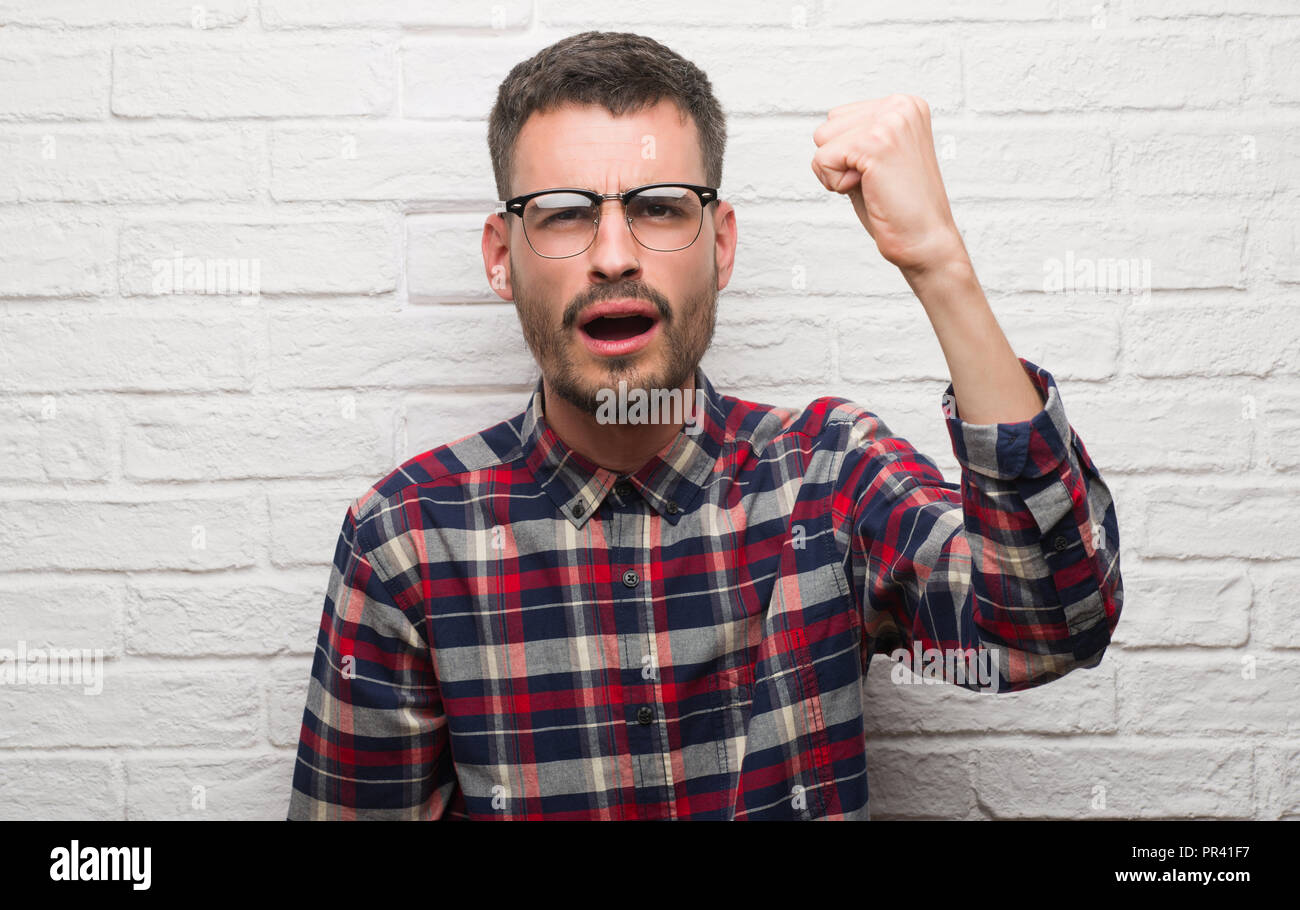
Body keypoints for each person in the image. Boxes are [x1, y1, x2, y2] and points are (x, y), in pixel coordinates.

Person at [287, 30, 1123, 820]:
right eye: (565, 212)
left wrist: (939, 261)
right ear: (501, 257)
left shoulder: (826, 477)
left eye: (657, 208)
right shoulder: (403, 539)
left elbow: (1053, 624)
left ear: (721, 245)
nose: (613, 255)